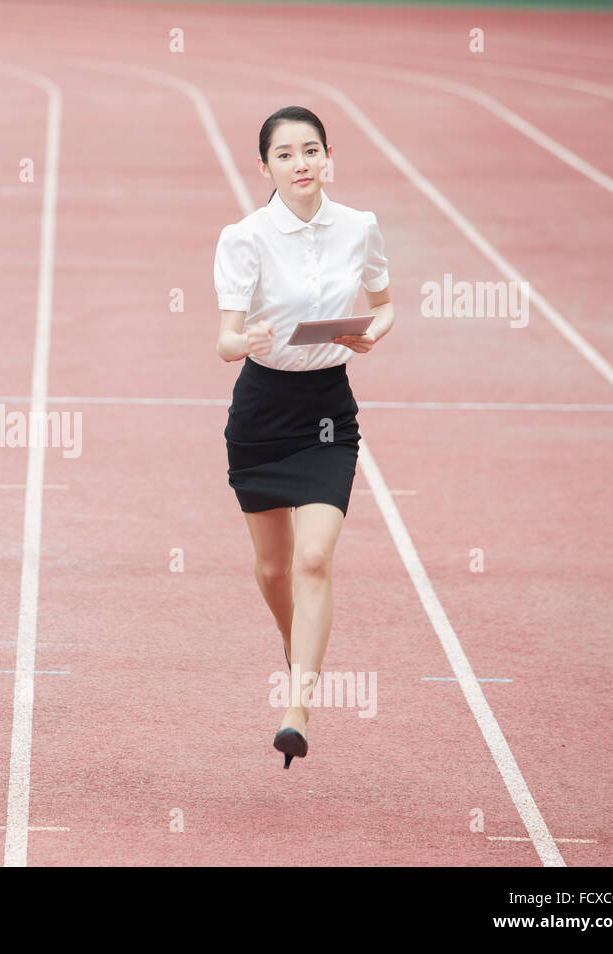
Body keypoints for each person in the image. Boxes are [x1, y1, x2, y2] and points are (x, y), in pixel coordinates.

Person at [213, 106, 394, 769]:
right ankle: (299, 658)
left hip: (327, 416)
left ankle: (298, 707)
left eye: (310, 150)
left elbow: (384, 302)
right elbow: (225, 338)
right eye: (285, 154)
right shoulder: (244, 237)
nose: (300, 163)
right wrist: (247, 340)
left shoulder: (359, 228)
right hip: (262, 412)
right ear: (265, 167)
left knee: (314, 560)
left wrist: (373, 333)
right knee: (271, 568)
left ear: (327, 158)